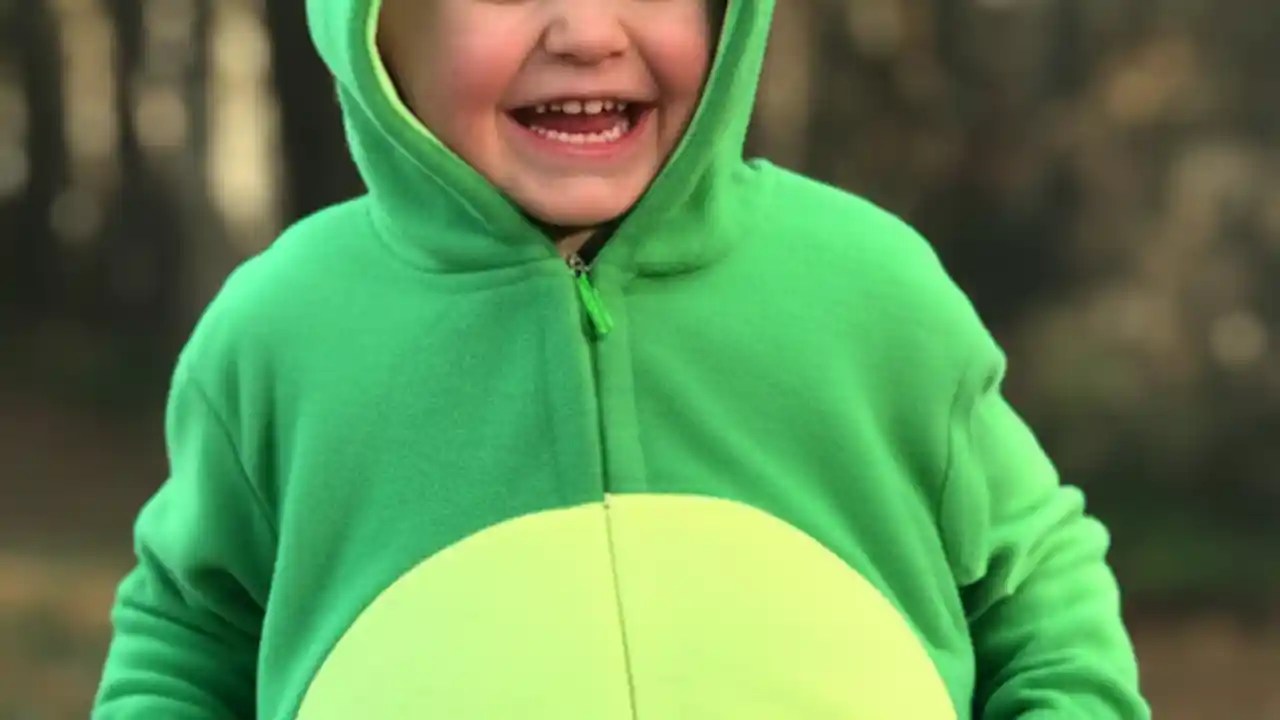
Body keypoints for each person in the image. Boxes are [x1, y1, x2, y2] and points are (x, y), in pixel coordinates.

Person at [93, 0, 1150, 717]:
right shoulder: (283, 330)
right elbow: (190, 633)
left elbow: (1032, 584)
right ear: (376, 24)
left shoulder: (872, 292)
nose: (587, 32)